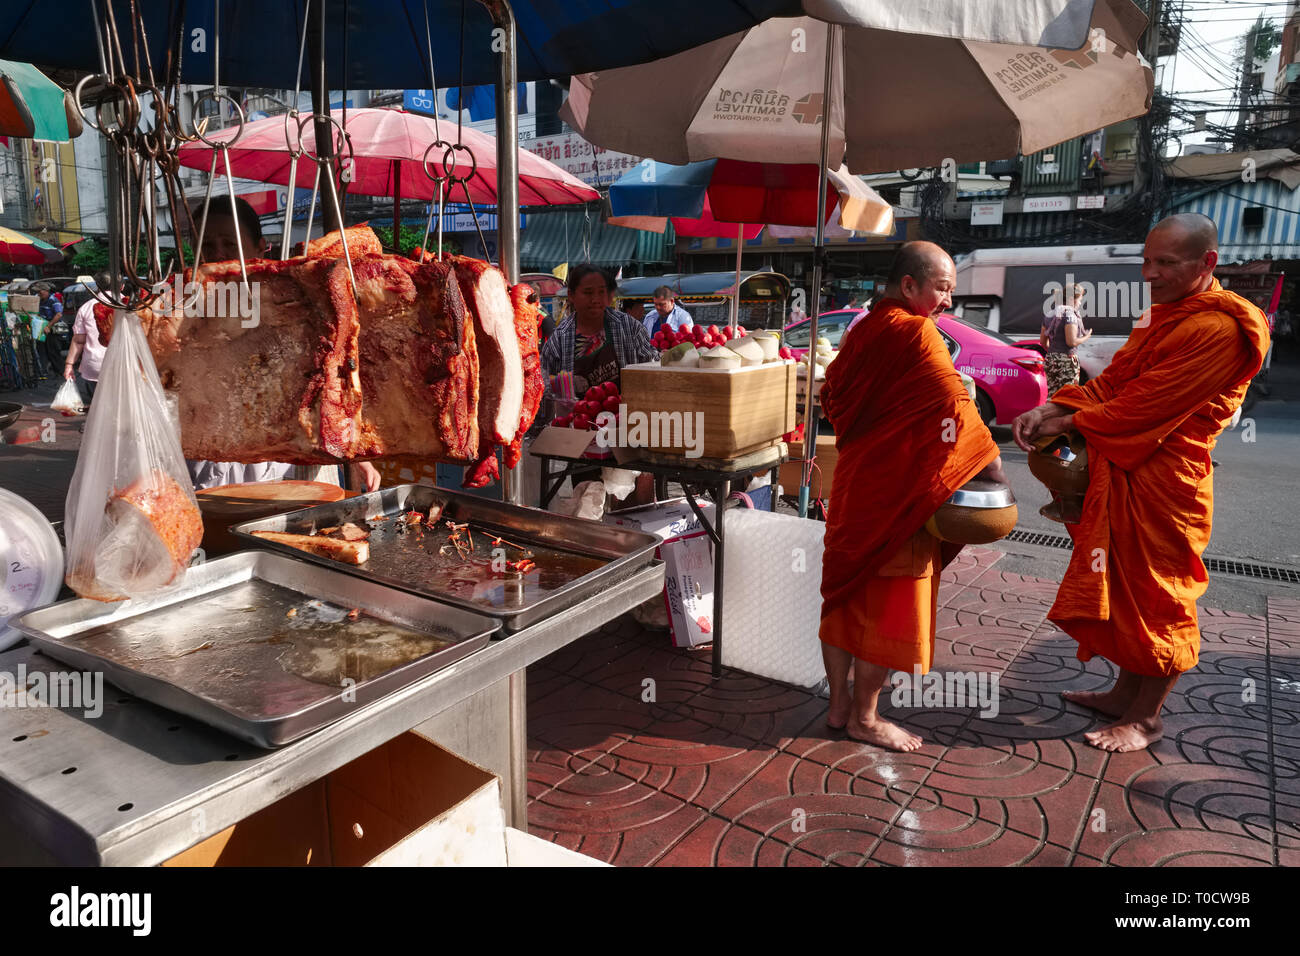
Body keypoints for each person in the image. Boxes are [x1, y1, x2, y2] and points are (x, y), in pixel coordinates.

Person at [1013, 214, 1270, 753]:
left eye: (1166, 263)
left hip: (1167, 480)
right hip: (1128, 469)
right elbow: (1113, 381)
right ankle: (1122, 695)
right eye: (1146, 261)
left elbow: (1148, 403)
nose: (1150, 273)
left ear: (1208, 263)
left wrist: (1066, 422)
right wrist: (1053, 404)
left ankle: (1147, 718)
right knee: (1124, 588)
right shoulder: (1165, 315)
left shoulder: (1220, 326)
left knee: (1159, 594)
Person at [819, 241, 1005, 752]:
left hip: (855, 485)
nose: (948, 301)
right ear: (910, 286)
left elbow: (831, 394)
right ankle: (866, 717)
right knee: (888, 604)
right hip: (895, 495)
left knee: (844, 598)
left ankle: (838, 706)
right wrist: (994, 468)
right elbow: (958, 411)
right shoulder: (916, 333)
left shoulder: (863, 329)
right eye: (943, 288)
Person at [185, 197, 382, 493]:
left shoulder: (299, 297)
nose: (218, 255)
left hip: (296, 469)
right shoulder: (183, 313)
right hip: (217, 469)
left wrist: (355, 446)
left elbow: (335, 374)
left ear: (260, 246)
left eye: (229, 243)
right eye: (207, 247)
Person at [542, 264, 657, 402]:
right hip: (579, 420)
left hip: (627, 417)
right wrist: (564, 384)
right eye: (588, 292)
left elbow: (654, 368)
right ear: (571, 295)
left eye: (601, 292)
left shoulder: (629, 327)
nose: (595, 300)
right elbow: (542, 384)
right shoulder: (560, 339)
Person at [64, 272, 111, 402]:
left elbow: (79, 341)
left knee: (98, 406)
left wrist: (69, 365)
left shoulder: (85, 308)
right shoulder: (130, 306)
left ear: (96, 286)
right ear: (122, 286)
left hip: (95, 366)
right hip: (126, 366)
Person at [1041, 283, 1092, 394]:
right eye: (1079, 300)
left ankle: (1046, 412)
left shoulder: (1049, 314)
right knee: (1067, 396)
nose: (1079, 303)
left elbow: (1043, 342)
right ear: (1071, 299)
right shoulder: (1070, 315)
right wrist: (1086, 337)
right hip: (1067, 361)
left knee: (1051, 395)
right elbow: (1071, 341)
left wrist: (1055, 352)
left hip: (1050, 359)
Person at [35, 283, 64, 375]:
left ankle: (61, 372)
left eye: (40, 291)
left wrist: (48, 326)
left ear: (46, 291)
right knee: (45, 350)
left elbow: (58, 314)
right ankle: (52, 371)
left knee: (53, 351)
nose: (38, 293)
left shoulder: (53, 300)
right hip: (43, 328)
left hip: (52, 329)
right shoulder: (40, 300)